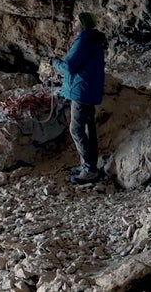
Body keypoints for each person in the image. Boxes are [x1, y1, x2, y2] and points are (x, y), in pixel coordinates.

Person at [53, 11, 108, 184]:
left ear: (82, 23)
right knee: (88, 128)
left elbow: (69, 66)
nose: (73, 21)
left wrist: (54, 62)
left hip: (81, 90)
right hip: (89, 89)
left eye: (75, 20)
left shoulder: (84, 40)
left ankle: (89, 170)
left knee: (76, 129)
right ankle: (89, 164)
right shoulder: (95, 39)